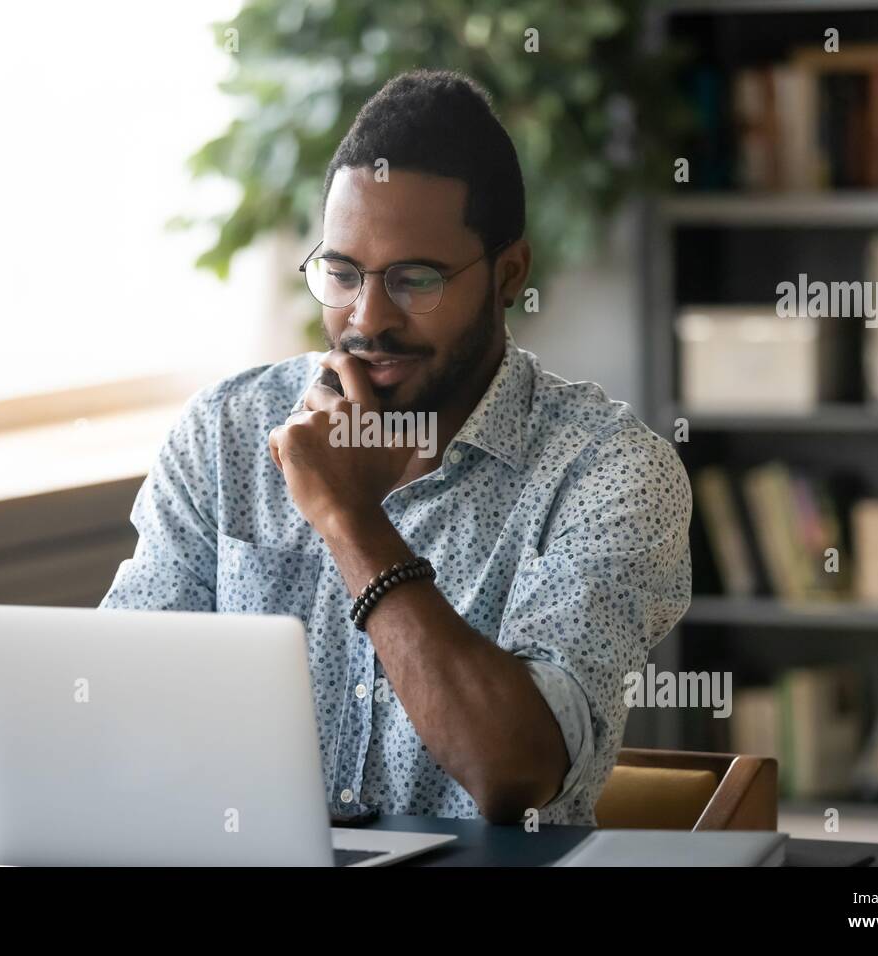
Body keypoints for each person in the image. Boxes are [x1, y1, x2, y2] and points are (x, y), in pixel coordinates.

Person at [102, 69, 691, 826]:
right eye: (342, 273)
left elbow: (515, 771)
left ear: (509, 274)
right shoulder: (225, 434)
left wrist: (349, 520)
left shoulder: (610, 473)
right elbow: (116, 716)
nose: (368, 317)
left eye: (416, 279)